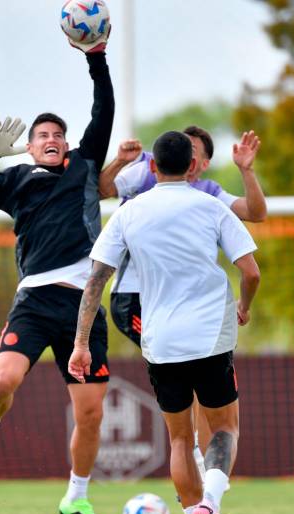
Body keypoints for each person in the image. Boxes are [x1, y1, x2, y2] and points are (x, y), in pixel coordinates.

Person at [69, 131, 261, 514]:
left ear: (153, 167)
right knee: (224, 428)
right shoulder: (211, 206)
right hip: (210, 334)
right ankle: (212, 504)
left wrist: (81, 343)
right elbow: (250, 272)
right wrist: (243, 307)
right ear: (192, 166)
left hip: (160, 341)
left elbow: (96, 281)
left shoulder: (129, 213)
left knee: (179, 441)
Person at [0, 31, 113, 514]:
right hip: (33, 302)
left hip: (83, 309)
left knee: (89, 415)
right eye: (41, 135)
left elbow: (103, 109)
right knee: (3, 383)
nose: (50, 139)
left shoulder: (84, 168)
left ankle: (77, 498)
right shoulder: (17, 181)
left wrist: (97, 59)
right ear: (29, 146)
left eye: (57, 135)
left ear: (66, 145)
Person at [98, 127, 266, 475]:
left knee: (194, 389)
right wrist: (118, 162)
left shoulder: (208, 196)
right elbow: (101, 190)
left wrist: (246, 171)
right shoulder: (145, 174)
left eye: (194, 151)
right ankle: (199, 471)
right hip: (134, 300)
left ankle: (197, 472)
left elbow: (255, 211)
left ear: (200, 164)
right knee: (188, 380)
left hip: (185, 311)